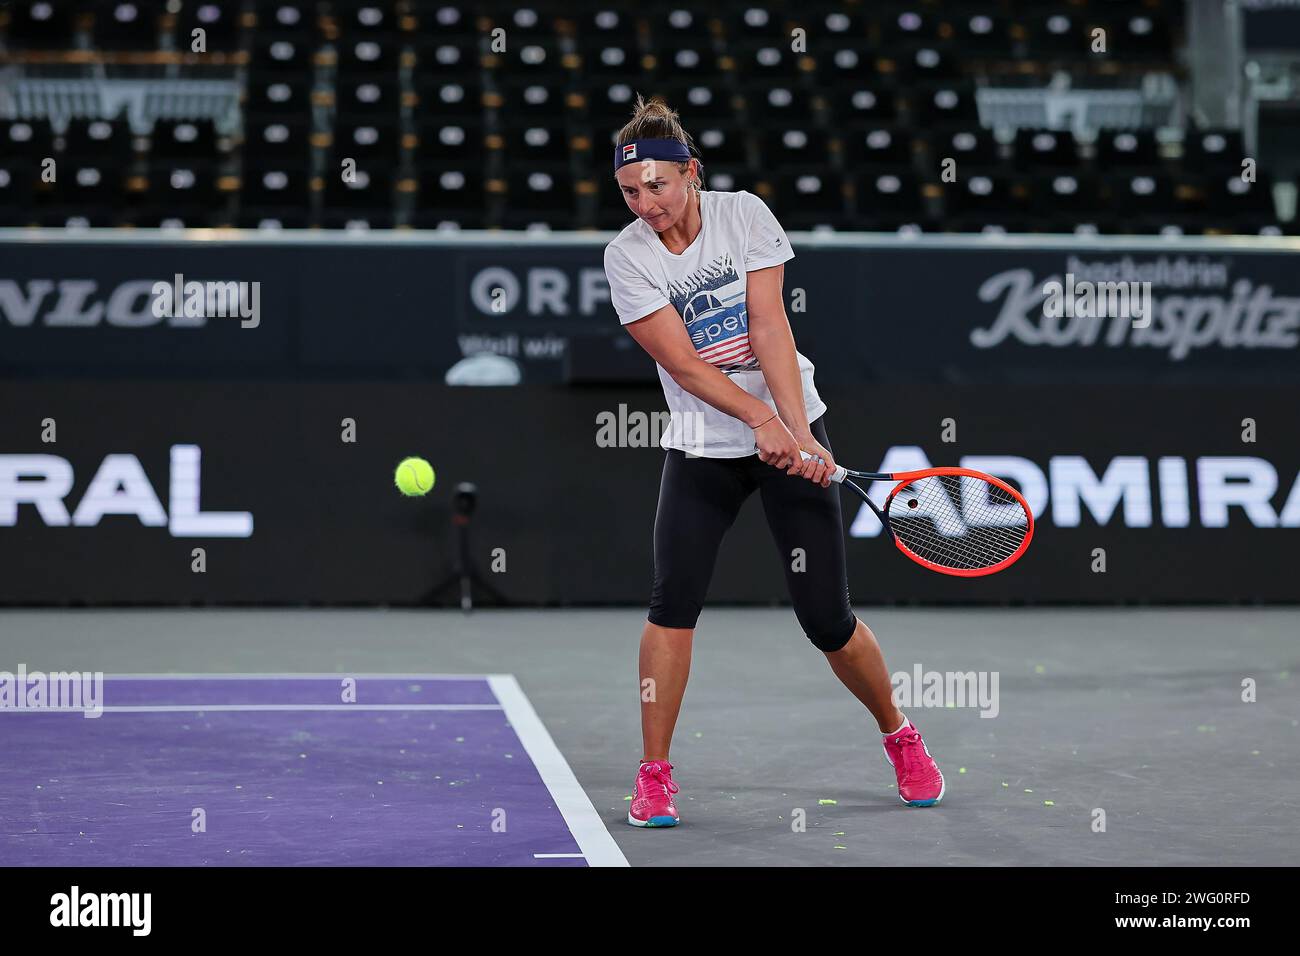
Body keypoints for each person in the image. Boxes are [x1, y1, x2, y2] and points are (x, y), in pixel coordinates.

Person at [602, 97, 944, 828]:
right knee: (672, 605)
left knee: (828, 620)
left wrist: (798, 431)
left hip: (792, 425)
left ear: (692, 174)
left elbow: (768, 325)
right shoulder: (626, 256)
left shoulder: (745, 215)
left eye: (658, 185)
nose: (645, 203)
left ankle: (901, 735)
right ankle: (654, 774)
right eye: (631, 191)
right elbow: (687, 365)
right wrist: (759, 421)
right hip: (703, 447)